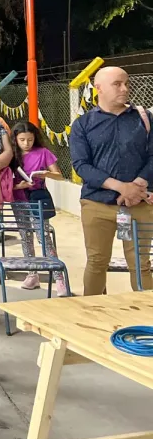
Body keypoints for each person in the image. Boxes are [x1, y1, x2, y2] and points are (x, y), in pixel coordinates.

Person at [69, 66, 153, 295]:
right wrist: (121, 187)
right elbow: (81, 165)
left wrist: (139, 184)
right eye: (117, 84)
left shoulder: (144, 118)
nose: (124, 89)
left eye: (126, 83)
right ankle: (92, 313)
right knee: (97, 262)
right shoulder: (83, 125)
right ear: (98, 89)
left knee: (141, 264)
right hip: (97, 204)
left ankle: (147, 316)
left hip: (138, 204)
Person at [10, 121, 68, 294]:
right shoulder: (11, 155)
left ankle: (59, 278)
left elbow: (59, 176)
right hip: (19, 200)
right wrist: (18, 186)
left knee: (44, 236)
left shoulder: (43, 153)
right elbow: (5, 182)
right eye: (22, 140)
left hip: (37, 199)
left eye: (29, 139)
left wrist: (46, 174)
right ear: (15, 140)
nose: (26, 143)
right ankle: (32, 274)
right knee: (25, 236)